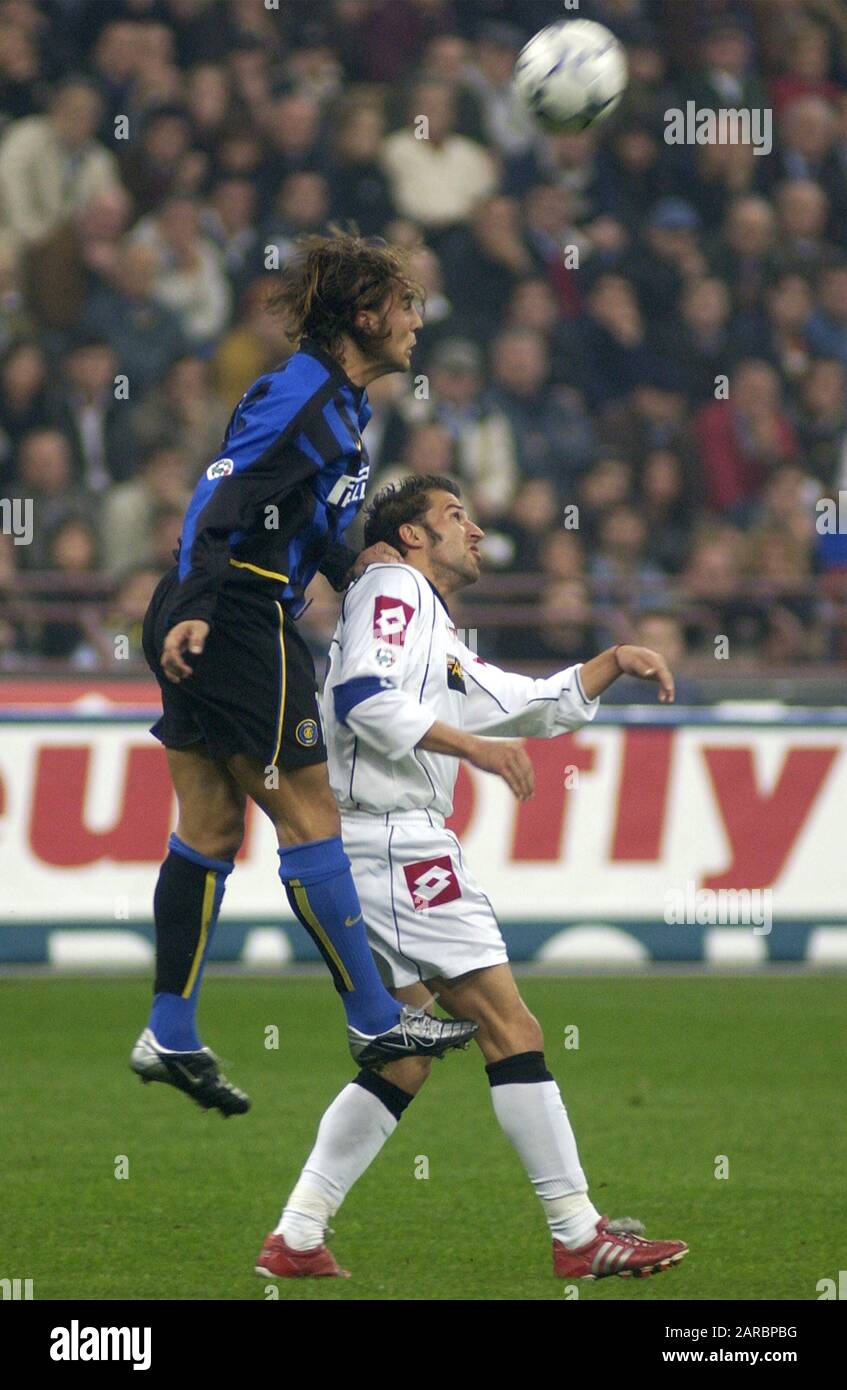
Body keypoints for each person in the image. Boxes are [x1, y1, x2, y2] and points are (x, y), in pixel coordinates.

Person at [256, 476, 689, 1282]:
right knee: (510, 1024)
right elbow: (359, 700)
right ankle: (578, 1232)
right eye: (456, 516)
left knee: (404, 1057)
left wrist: (606, 663)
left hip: (371, 844)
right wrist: (475, 751)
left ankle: (298, 1234)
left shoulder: (430, 620)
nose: (478, 530)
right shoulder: (393, 588)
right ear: (413, 536)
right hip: (395, 847)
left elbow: (516, 701)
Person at [131, 234, 478, 1118]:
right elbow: (225, 491)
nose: (415, 322)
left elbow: (293, 507)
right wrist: (203, 603)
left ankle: (170, 1028)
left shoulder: (342, 403)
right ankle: (373, 1018)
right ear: (364, 316)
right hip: (238, 612)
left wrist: (347, 559)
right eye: (404, 306)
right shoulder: (306, 391)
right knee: (309, 813)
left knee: (209, 827)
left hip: (220, 604)